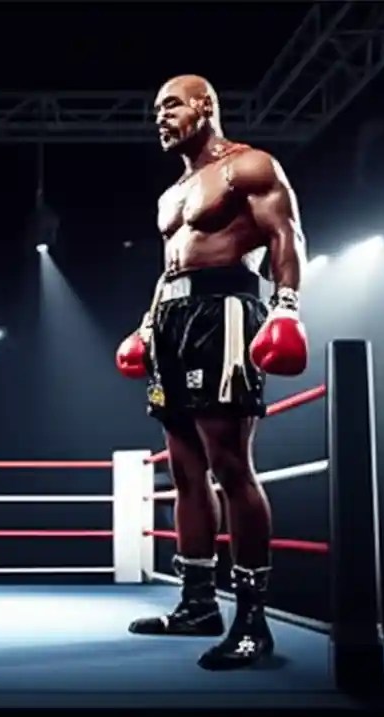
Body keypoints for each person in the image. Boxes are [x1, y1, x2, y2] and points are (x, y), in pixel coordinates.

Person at [115, 75, 309, 670]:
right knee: (184, 470)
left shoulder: (248, 166)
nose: (160, 117)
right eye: (155, 109)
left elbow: (285, 234)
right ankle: (198, 603)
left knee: (230, 465)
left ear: (205, 107)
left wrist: (286, 308)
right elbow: (171, 267)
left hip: (224, 312)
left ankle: (252, 621)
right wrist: (146, 326)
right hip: (172, 320)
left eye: (171, 105)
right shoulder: (171, 194)